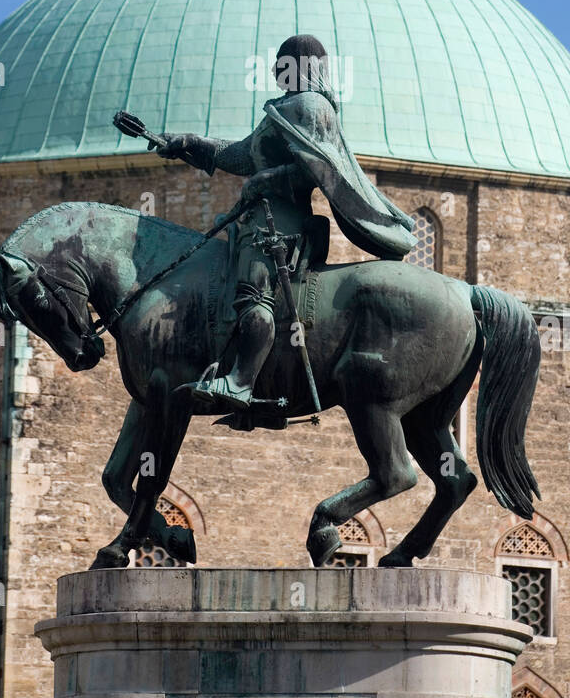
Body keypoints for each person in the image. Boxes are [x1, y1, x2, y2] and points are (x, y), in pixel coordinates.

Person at [150, 34, 416, 413]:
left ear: (301, 65)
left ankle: (242, 381)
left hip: (281, 220)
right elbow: (242, 155)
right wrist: (189, 143)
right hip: (258, 214)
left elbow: (319, 170)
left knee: (254, 290)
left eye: (282, 64)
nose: (276, 71)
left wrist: (265, 181)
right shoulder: (285, 108)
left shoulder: (311, 106)